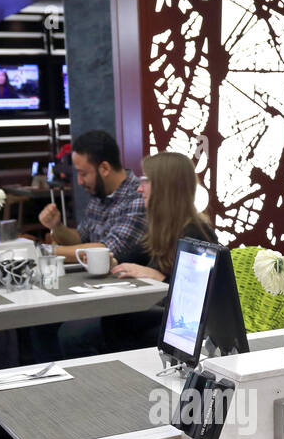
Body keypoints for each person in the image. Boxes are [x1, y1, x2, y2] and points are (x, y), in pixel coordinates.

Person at [60, 150, 218, 355]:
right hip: (153, 312)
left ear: (165, 188)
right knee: (81, 327)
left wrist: (161, 277)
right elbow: (130, 259)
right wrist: (112, 262)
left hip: (182, 328)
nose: (139, 188)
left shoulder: (197, 234)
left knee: (76, 334)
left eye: (146, 181)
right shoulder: (160, 227)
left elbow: (198, 299)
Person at [38, 129, 148, 263]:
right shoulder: (100, 192)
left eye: (83, 174)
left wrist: (43, 251)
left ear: (105, 169)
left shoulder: (137, 196)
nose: (79, 181)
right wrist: (57, 226)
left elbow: (107, 251)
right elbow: (80, 238)